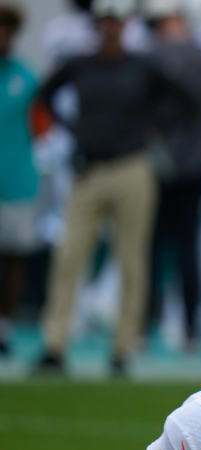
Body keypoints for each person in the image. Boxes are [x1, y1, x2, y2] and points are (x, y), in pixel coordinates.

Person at [34, 0, 191, 376]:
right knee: (70, 256)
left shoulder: (142, 66)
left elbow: (181, 101)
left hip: (132, 168)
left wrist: (152, 129)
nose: (110, 28)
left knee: (132, 260)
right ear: (97, 24)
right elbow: (45, 96)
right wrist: (72, 131)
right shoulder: (81, 64)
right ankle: (55, 343)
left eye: (116, 21)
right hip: (89, 169)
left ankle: (123, 347)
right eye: (105, 21)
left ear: (126, 25)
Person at [143, 0, 201, 351]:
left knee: (153, 248)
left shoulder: (154, 60)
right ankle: (190, 330)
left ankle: (144, 328)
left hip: (161, 165)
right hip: (198, 165)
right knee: (188, 247)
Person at [0, 2, 38, 358]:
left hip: (16, 180)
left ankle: (6, 327)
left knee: (12, 258)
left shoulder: (26, 78)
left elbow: (41, 127)